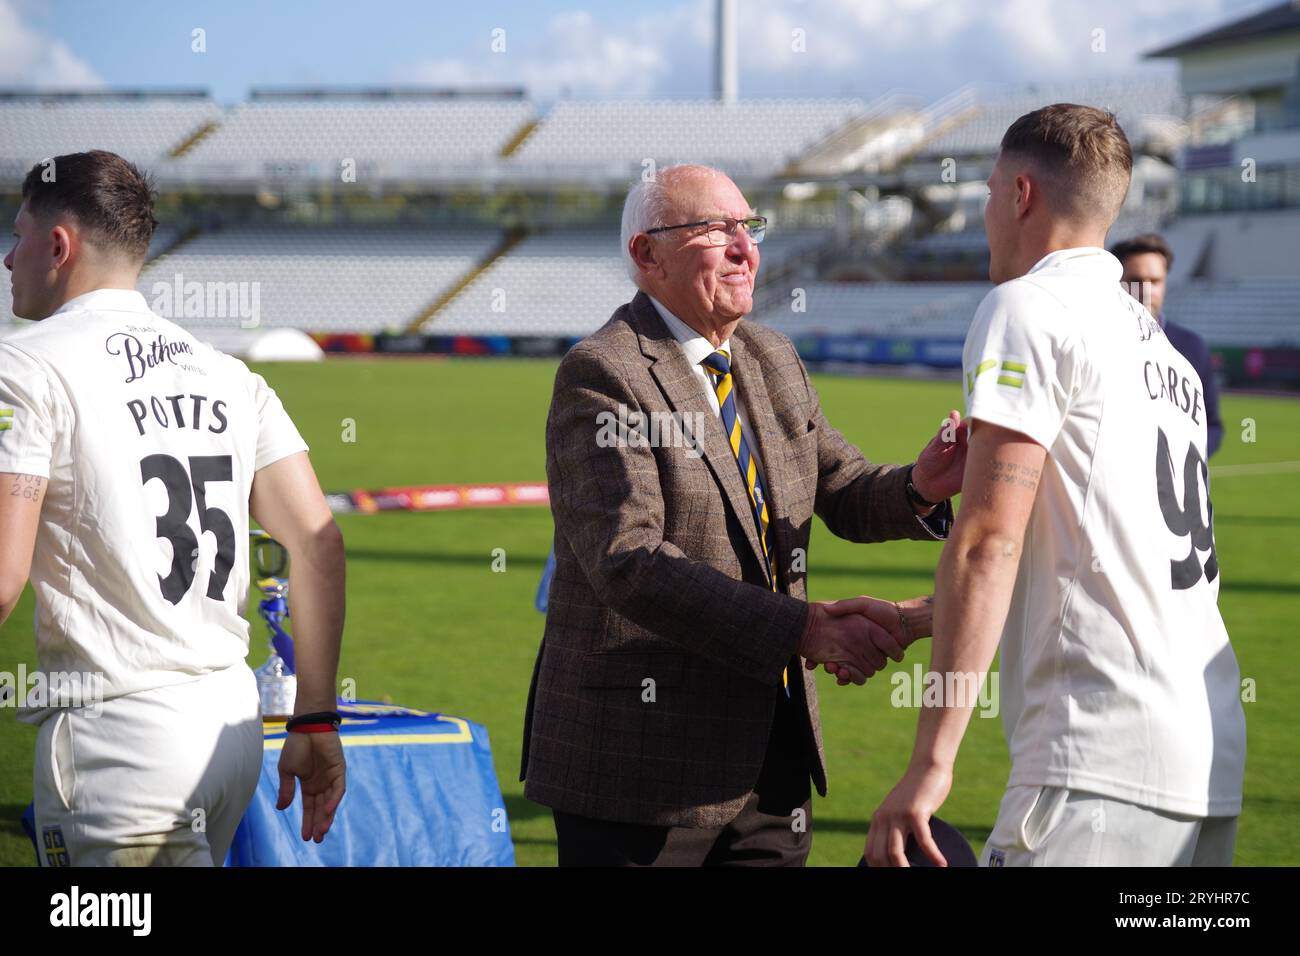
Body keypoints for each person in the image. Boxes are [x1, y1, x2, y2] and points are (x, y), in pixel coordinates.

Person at [521, 163, 968, 866]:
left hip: (771, 761)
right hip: (639, 771)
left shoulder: (770, 356)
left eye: (749, 227)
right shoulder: (603, 371)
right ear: (647, 254)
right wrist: (806, 628)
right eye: (714, 230)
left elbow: (841, 485)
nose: (744, 248)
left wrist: (921, 486)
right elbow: (629, 563)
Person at [860, 105, 1245, 867]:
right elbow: (1097, 556)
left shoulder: (1027, 307)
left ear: (1021, 194)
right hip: (1207, 753)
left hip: (1098, 758)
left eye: (989, 191)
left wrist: (930, 765)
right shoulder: (1167, 356)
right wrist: (914, 620)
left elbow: (988, 543)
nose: (984, 216)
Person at [0, 150, 347, 866]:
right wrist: (314, 716)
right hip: (229, 728)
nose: (9, 259)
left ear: (58, 246)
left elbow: (3, 576)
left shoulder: (24, 366)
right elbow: (316, 545)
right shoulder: (229, 374)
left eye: (19, 235)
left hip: (117, 742)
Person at [1111, 232, 1223, 456]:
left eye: (1154, 281)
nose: (1145, 291)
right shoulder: (1097, 341)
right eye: (1134, 281)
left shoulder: (1192, 347)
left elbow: (1212, 425)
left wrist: (1186, 456)